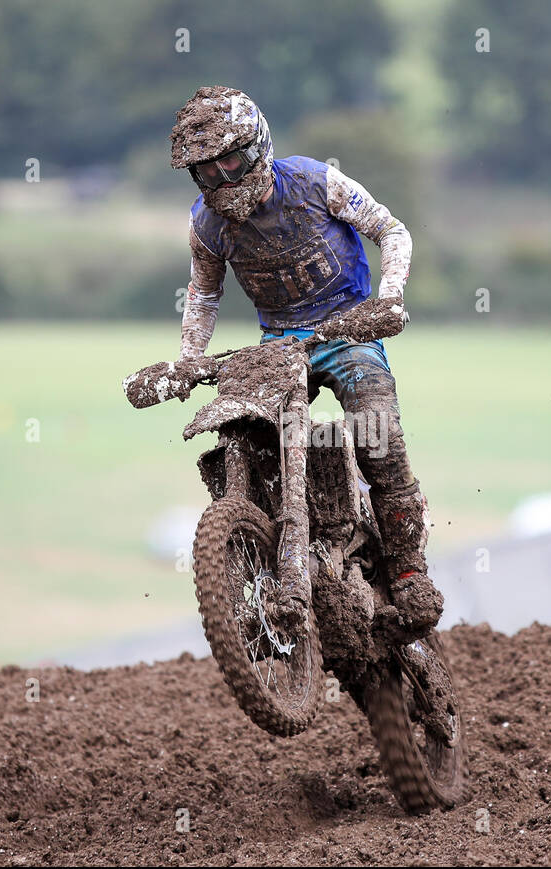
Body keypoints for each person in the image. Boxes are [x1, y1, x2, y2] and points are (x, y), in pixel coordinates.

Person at [167, 86, 442, 633]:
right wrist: (187, 360)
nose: (222, 177)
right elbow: (203, 292)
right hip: (279, 344)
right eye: (206, 170)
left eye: (231, 159)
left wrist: (389, 298)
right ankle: (264, 551)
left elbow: (391, 230)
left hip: (348, 328)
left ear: (257, 144)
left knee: (377, 435)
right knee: (243, 434)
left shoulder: (315, 182)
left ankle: (410, 570)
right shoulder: (207, 226)